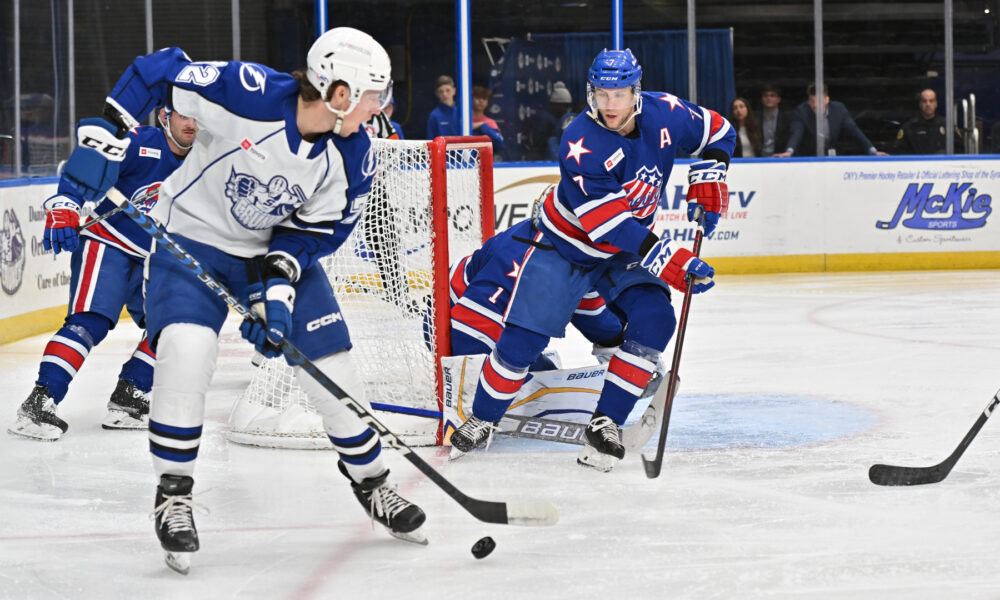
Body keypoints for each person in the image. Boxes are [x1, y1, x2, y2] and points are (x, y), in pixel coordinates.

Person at [58, 27, 427, 573]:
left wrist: (276, 293)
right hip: (193, 238)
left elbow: (314, 235)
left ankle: (372, 483)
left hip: (269, 256)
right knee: (185, 351)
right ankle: (174, 494)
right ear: (340, 91)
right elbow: (160, 68)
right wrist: (108, 130)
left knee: (334, 369)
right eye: (373, 95)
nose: (380, 107)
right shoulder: (247, 92)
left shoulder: (353, 156)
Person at [448, 48, 733, 473]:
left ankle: (606, 422)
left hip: (620, 254)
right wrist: (671, 261)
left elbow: (720, 130)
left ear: (637, 91)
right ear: (590, 93)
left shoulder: (668, 114)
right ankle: (483, 419)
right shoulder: (581, 141)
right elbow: (609, 227)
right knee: (522, 343)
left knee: (656, 319)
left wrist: (711, 174)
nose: (610, 104)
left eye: (619, 93)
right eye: (601, 94)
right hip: (565, 248)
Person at [9, 107, 197, 441]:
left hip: (154, 255)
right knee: (89, 324)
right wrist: (67, 202)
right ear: (165, 116)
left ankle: (129, 396)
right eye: (184, 116)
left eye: (198, 116)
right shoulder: (140, 142)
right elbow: (86, 167)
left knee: (175, 327)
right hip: (108, 242)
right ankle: (39, 402)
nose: (192, 124)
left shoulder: (207, 161)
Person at [775, 83, 888, 157]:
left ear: (827, 99)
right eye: (811, 101)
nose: (814, 105)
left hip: (831, 156)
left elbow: (854, 130)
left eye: (818, 101)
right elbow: (796, 132)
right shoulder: (801, 111)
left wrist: (872, 150)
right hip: (808, 157)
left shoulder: (838, 110)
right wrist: (789, 151)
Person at [894, 88, 962, 155]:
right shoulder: (910, 127)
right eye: (924, 101)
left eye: (931, 101)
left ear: (936, 104)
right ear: (920, 104)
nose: (928, 104)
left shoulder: (947, 125)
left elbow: (960, 150)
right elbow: (899, 152)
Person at [756, 84, 789, 158]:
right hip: (759, 158)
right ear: (761, 99)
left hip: (779, 158)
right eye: (766, 95)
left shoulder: (786, 118)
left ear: (778, 99)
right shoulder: (755, 117)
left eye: (772, 96)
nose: (768, 98)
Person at [470, 85, 504, 154]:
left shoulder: (490, 123)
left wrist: (482, 126)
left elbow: (499, 144)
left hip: (482, 161)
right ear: (471, 99)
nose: (481, 101)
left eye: (484, 98)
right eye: (478, 97)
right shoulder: (464, 120)